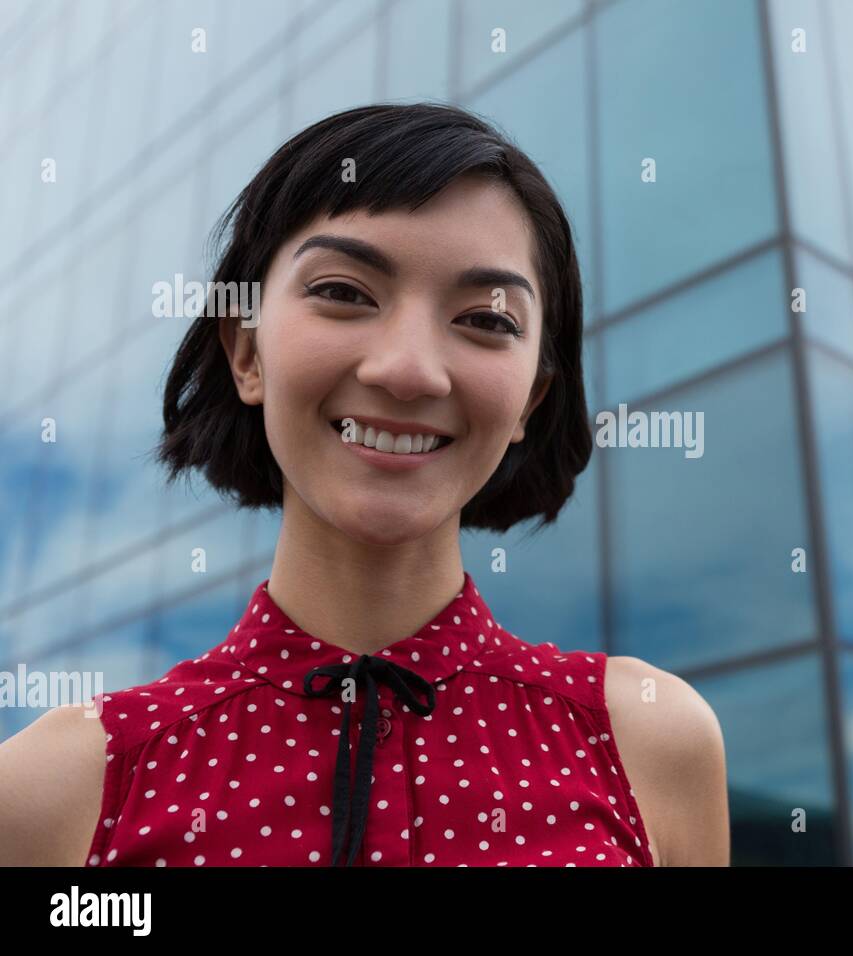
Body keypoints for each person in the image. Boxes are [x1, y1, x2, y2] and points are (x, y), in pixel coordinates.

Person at [0, 103, 728, 867]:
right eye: (345, 292)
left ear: (530, 403)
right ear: (246, 353)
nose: (408, 369)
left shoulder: (649, 743)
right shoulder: (55, 789)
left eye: (486, 318)